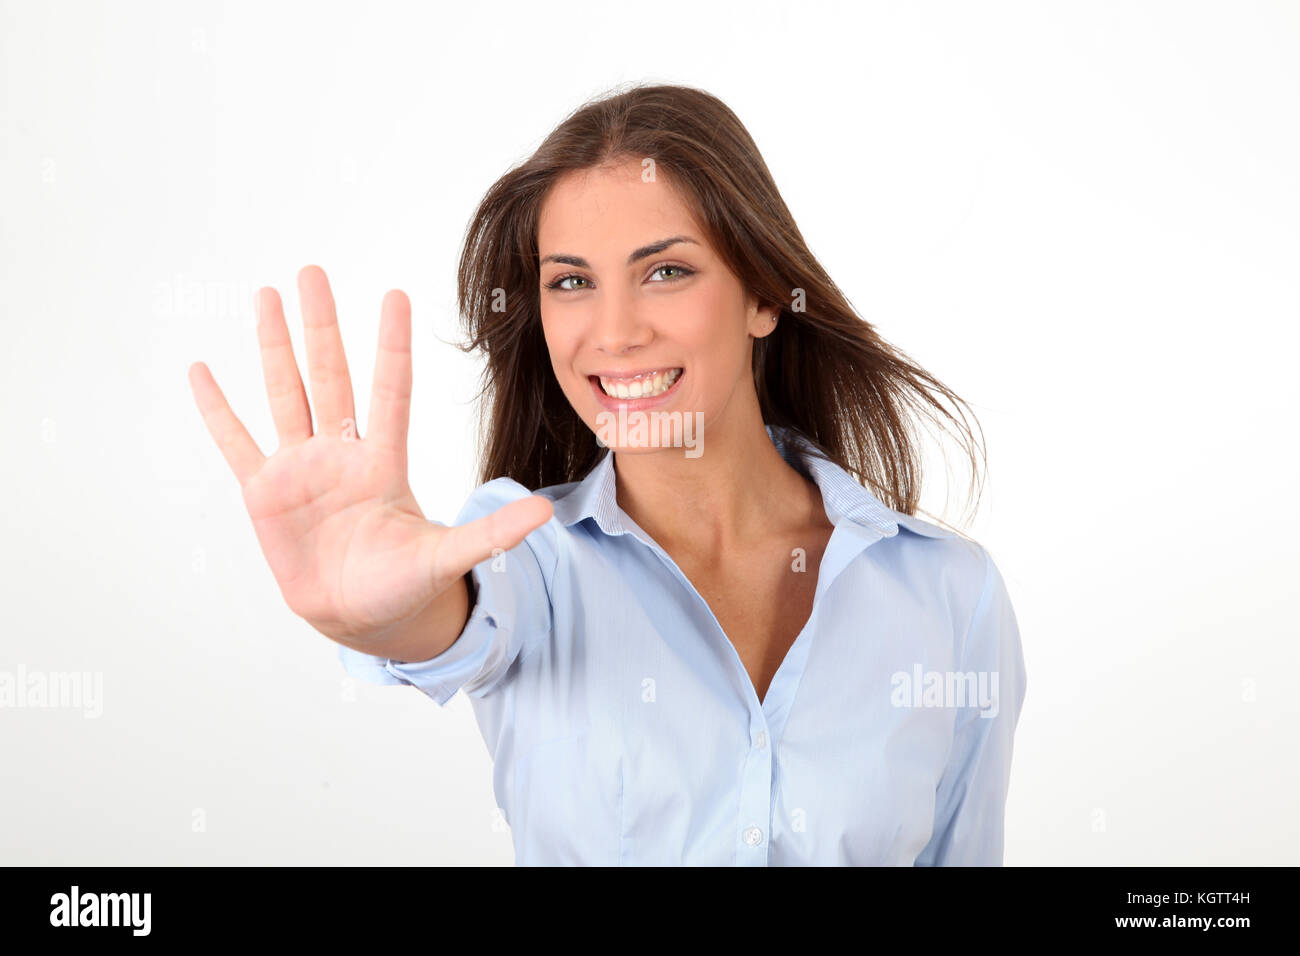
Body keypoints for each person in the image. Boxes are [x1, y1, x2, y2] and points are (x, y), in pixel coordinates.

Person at [188, 82, 1026, 866]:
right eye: (572, 282)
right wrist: (376, 614)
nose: (614, 333)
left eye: (665, 271)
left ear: (765, 298)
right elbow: (453, 617)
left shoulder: (949, 595)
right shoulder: (527, 557)